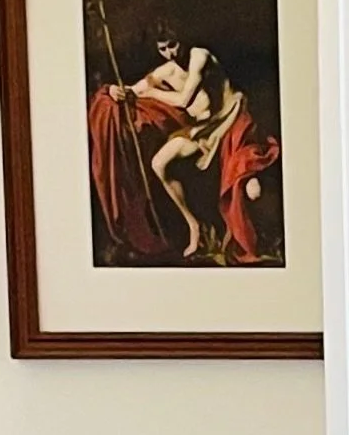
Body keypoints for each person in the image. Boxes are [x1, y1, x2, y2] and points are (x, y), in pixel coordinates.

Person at [88, 21, 280, 263]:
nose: (170, 52)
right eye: (163, 49)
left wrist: (150, 93)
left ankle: (258, 241)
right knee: (160, 163)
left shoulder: (199, 56)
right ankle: (194, 227)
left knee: (252, 191)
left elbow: (184, 100)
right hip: (204, 130)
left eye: (173, 45)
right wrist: (116, 91)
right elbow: (135, 89)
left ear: (182, 40)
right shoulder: (165, 71)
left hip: (231, 125)